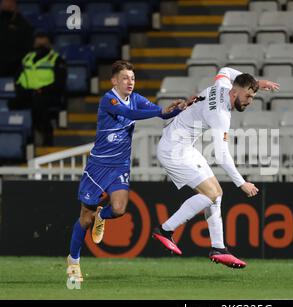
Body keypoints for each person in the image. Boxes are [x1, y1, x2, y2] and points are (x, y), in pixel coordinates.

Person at [66, 60, 188, 282]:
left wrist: (176, 110)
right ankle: (73, 262)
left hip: (120, 165)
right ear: (114, 81)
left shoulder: (136, 98)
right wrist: (159, 111)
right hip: (98, 166)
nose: (130, 82)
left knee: (120, 209)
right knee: (84, 218)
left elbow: (158, 113)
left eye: (132, 78)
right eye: (125, 78)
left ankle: (101, 215)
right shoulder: (109, 99)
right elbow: (129, 114)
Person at [152, 67, 280, 268]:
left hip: (183, 145)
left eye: (253, 96)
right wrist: (242, 183)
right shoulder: (221, 114)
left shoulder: (223, 85)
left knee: (215, 195)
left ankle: (218, 248)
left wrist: (257, 83)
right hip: (173, 150)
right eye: (248, 96)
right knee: (213, 193)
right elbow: (221, 155)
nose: (249, 101)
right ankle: (165, 229)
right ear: (235, 92)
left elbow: (225, 70)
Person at [9, 30, 66, 146]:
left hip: (48, 94)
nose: (39, 41)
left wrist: (42, 90)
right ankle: (19, 141)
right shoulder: (27, 58)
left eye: (43, 38)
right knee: (12, 103)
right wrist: (21, 89)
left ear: (49, 42)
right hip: (28, 93)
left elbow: (59, 83)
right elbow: (17, 78)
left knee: (39, 103)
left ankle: (47, 136)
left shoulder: (56, 59)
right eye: (38, 38)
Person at [0, 0, 34, 77]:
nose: (6, 8)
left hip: (17, 66)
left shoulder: (24, 25)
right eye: (4, 6)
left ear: (15, 7)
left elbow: (28, 48)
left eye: (9, 6)